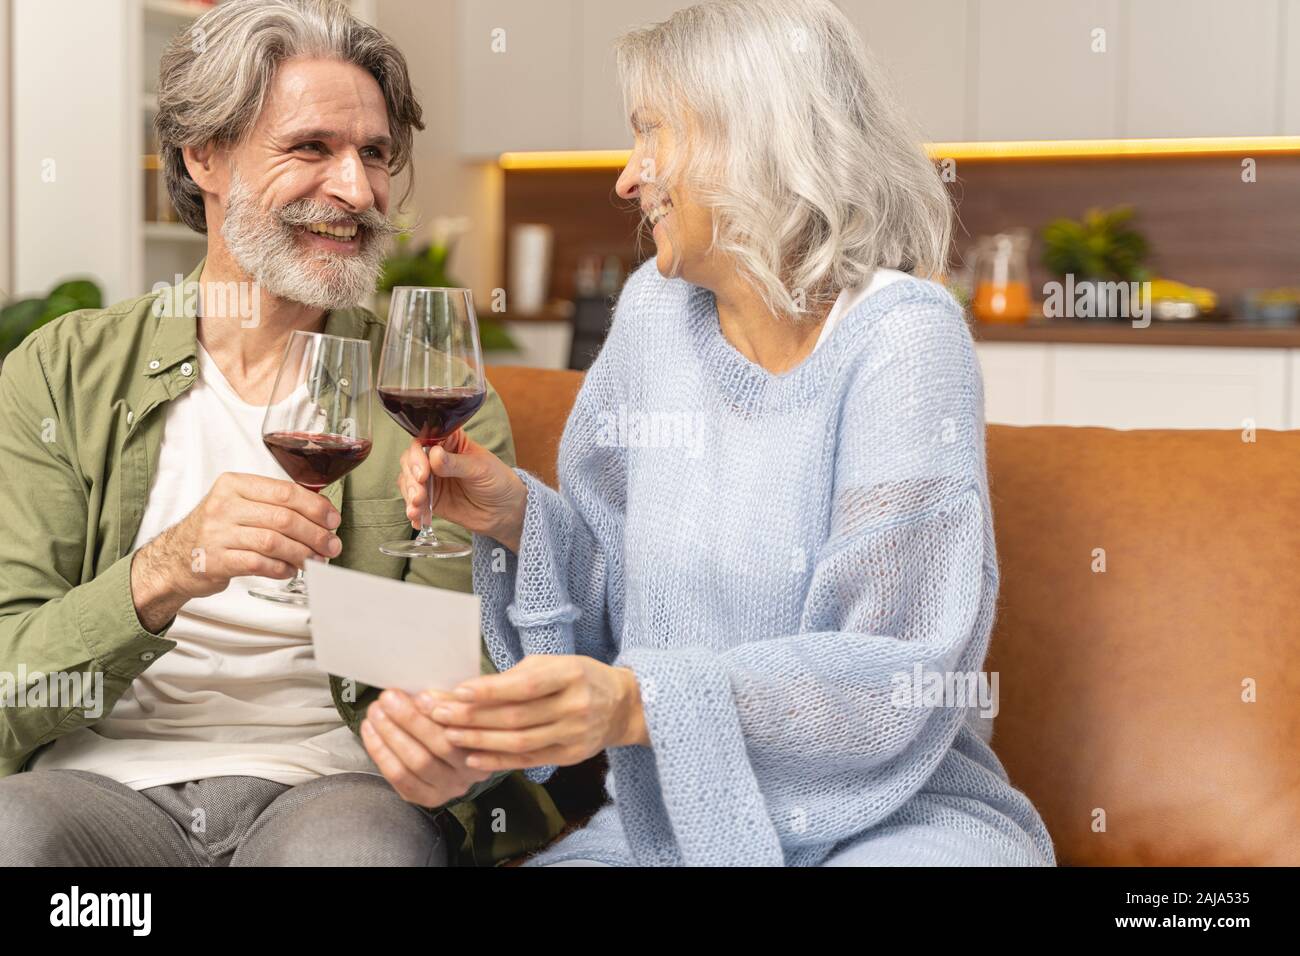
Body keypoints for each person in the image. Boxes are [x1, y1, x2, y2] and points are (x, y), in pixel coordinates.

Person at [372, 0, 1057, 866]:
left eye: (650, 134)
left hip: (895, 821)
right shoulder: (654, 316)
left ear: (754, 138)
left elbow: (897, 671)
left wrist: (641, 702)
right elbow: (612, 591)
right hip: (668, 823)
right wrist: (516, 518)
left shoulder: (901, 338)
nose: (627, 179)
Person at [0, 0, 563, 867]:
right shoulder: (61, 373)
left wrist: (457, 727)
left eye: (374, 154)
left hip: (330, 791)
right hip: (98, 790)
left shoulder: (432, 393)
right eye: (311, 147)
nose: (357, 189)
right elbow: (10, 686)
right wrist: (162, 571)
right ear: (204, 154)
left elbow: (468, 668)